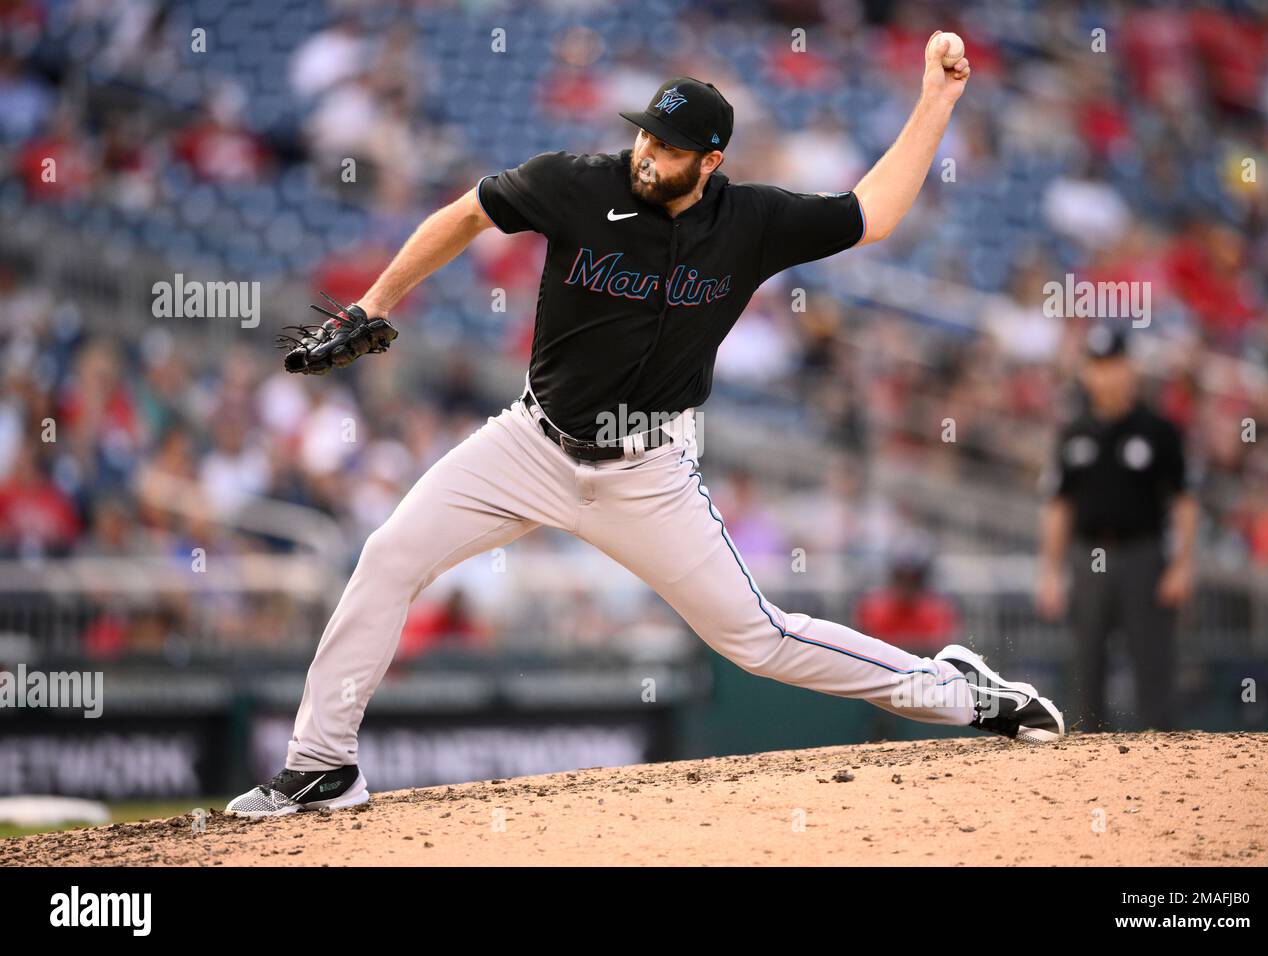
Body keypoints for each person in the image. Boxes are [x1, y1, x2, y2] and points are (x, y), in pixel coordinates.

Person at [228, 35, 1066, 819]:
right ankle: (323, 765)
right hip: (530, 442)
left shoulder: (750, 221)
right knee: (387, 557)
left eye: (667, 147)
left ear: (710, 160)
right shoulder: (575, 182)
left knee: (759, 641)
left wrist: (935, 100)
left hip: (647, 469)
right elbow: (468, 213)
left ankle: (962, 691)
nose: (645, 154)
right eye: (643, 137)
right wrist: (377, 302)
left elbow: (873, 213)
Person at [1037, 325, 1197, 733]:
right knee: (1085, 660)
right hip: (1088, 555)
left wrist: (1182, 564)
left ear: (1130, 369)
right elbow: (1059, 506)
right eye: (1097, 366)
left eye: (1113, 365)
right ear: (1085, 372)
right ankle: (1088, 755)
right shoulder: (1072, 433)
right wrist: (1051, 572)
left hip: (1143, 555)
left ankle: (1165, 755)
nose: (1105, 375)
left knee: (1153, 660)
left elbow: (1183, 500)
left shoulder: (1159, 431)